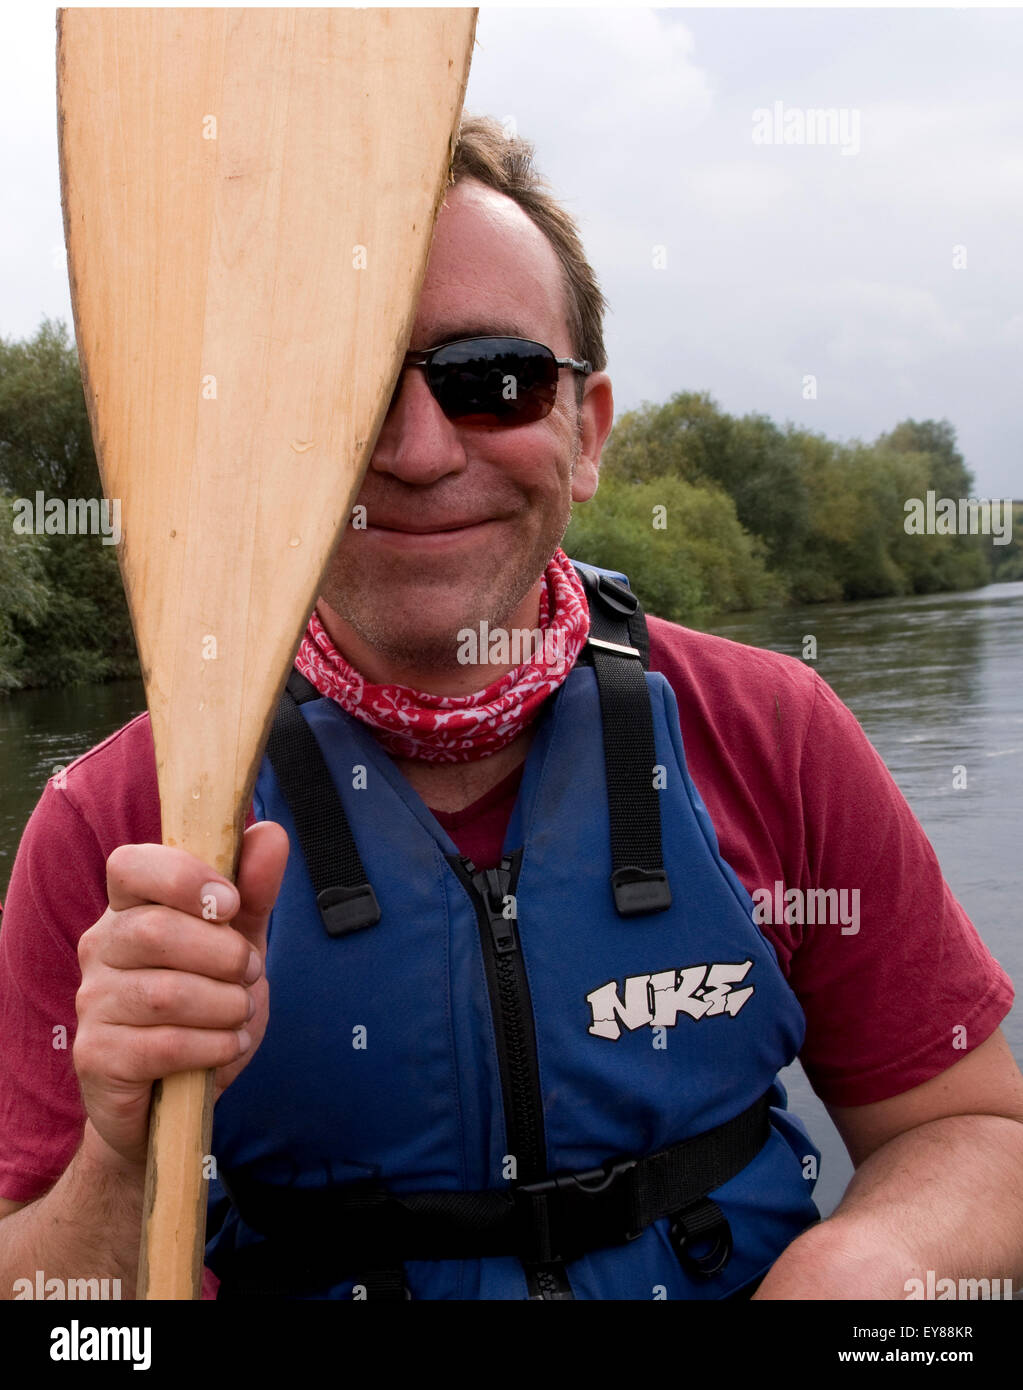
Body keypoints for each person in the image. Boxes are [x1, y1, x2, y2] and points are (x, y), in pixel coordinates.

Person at [0, 116, 1020, 1302]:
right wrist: (121, 1162)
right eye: (345, 389)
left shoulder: (774, 732)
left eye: (496, 379)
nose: (421, 451)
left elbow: (977, 1136)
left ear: (583, 435)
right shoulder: (118, 824)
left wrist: (858, 1271)